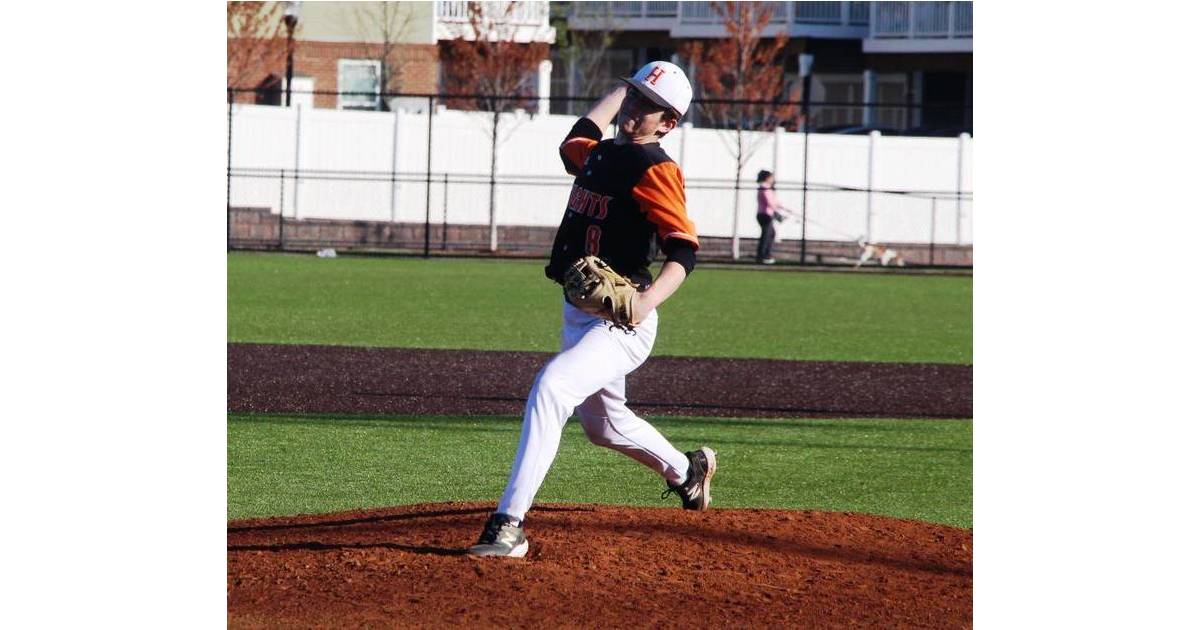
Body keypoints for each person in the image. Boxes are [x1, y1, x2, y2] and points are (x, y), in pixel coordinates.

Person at [468, 61, 717, 558]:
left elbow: (683, 250)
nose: (635, 107)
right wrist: (626, 87)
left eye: (649, 105)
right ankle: (687, 471)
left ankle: (509, 523)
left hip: (622, 322)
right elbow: (574, 139)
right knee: (603, 425)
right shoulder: (599, 154)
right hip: (580, 313)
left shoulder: (655, 168)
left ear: (668, 123)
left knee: (552, 387)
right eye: (634, 96)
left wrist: (645, 303)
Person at [755, 170, 790, 264]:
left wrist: (785, 208)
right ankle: (763, 256)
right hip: (765, 215)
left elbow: (774, 202)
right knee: (767, 235)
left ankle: (765, 254)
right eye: (771, 177)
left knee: (771, 234)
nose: (773, 179)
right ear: (767, 178)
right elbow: (769, 202)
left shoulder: (768, 188)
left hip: (767, 214)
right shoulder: (764, 188)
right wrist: (778, 213)